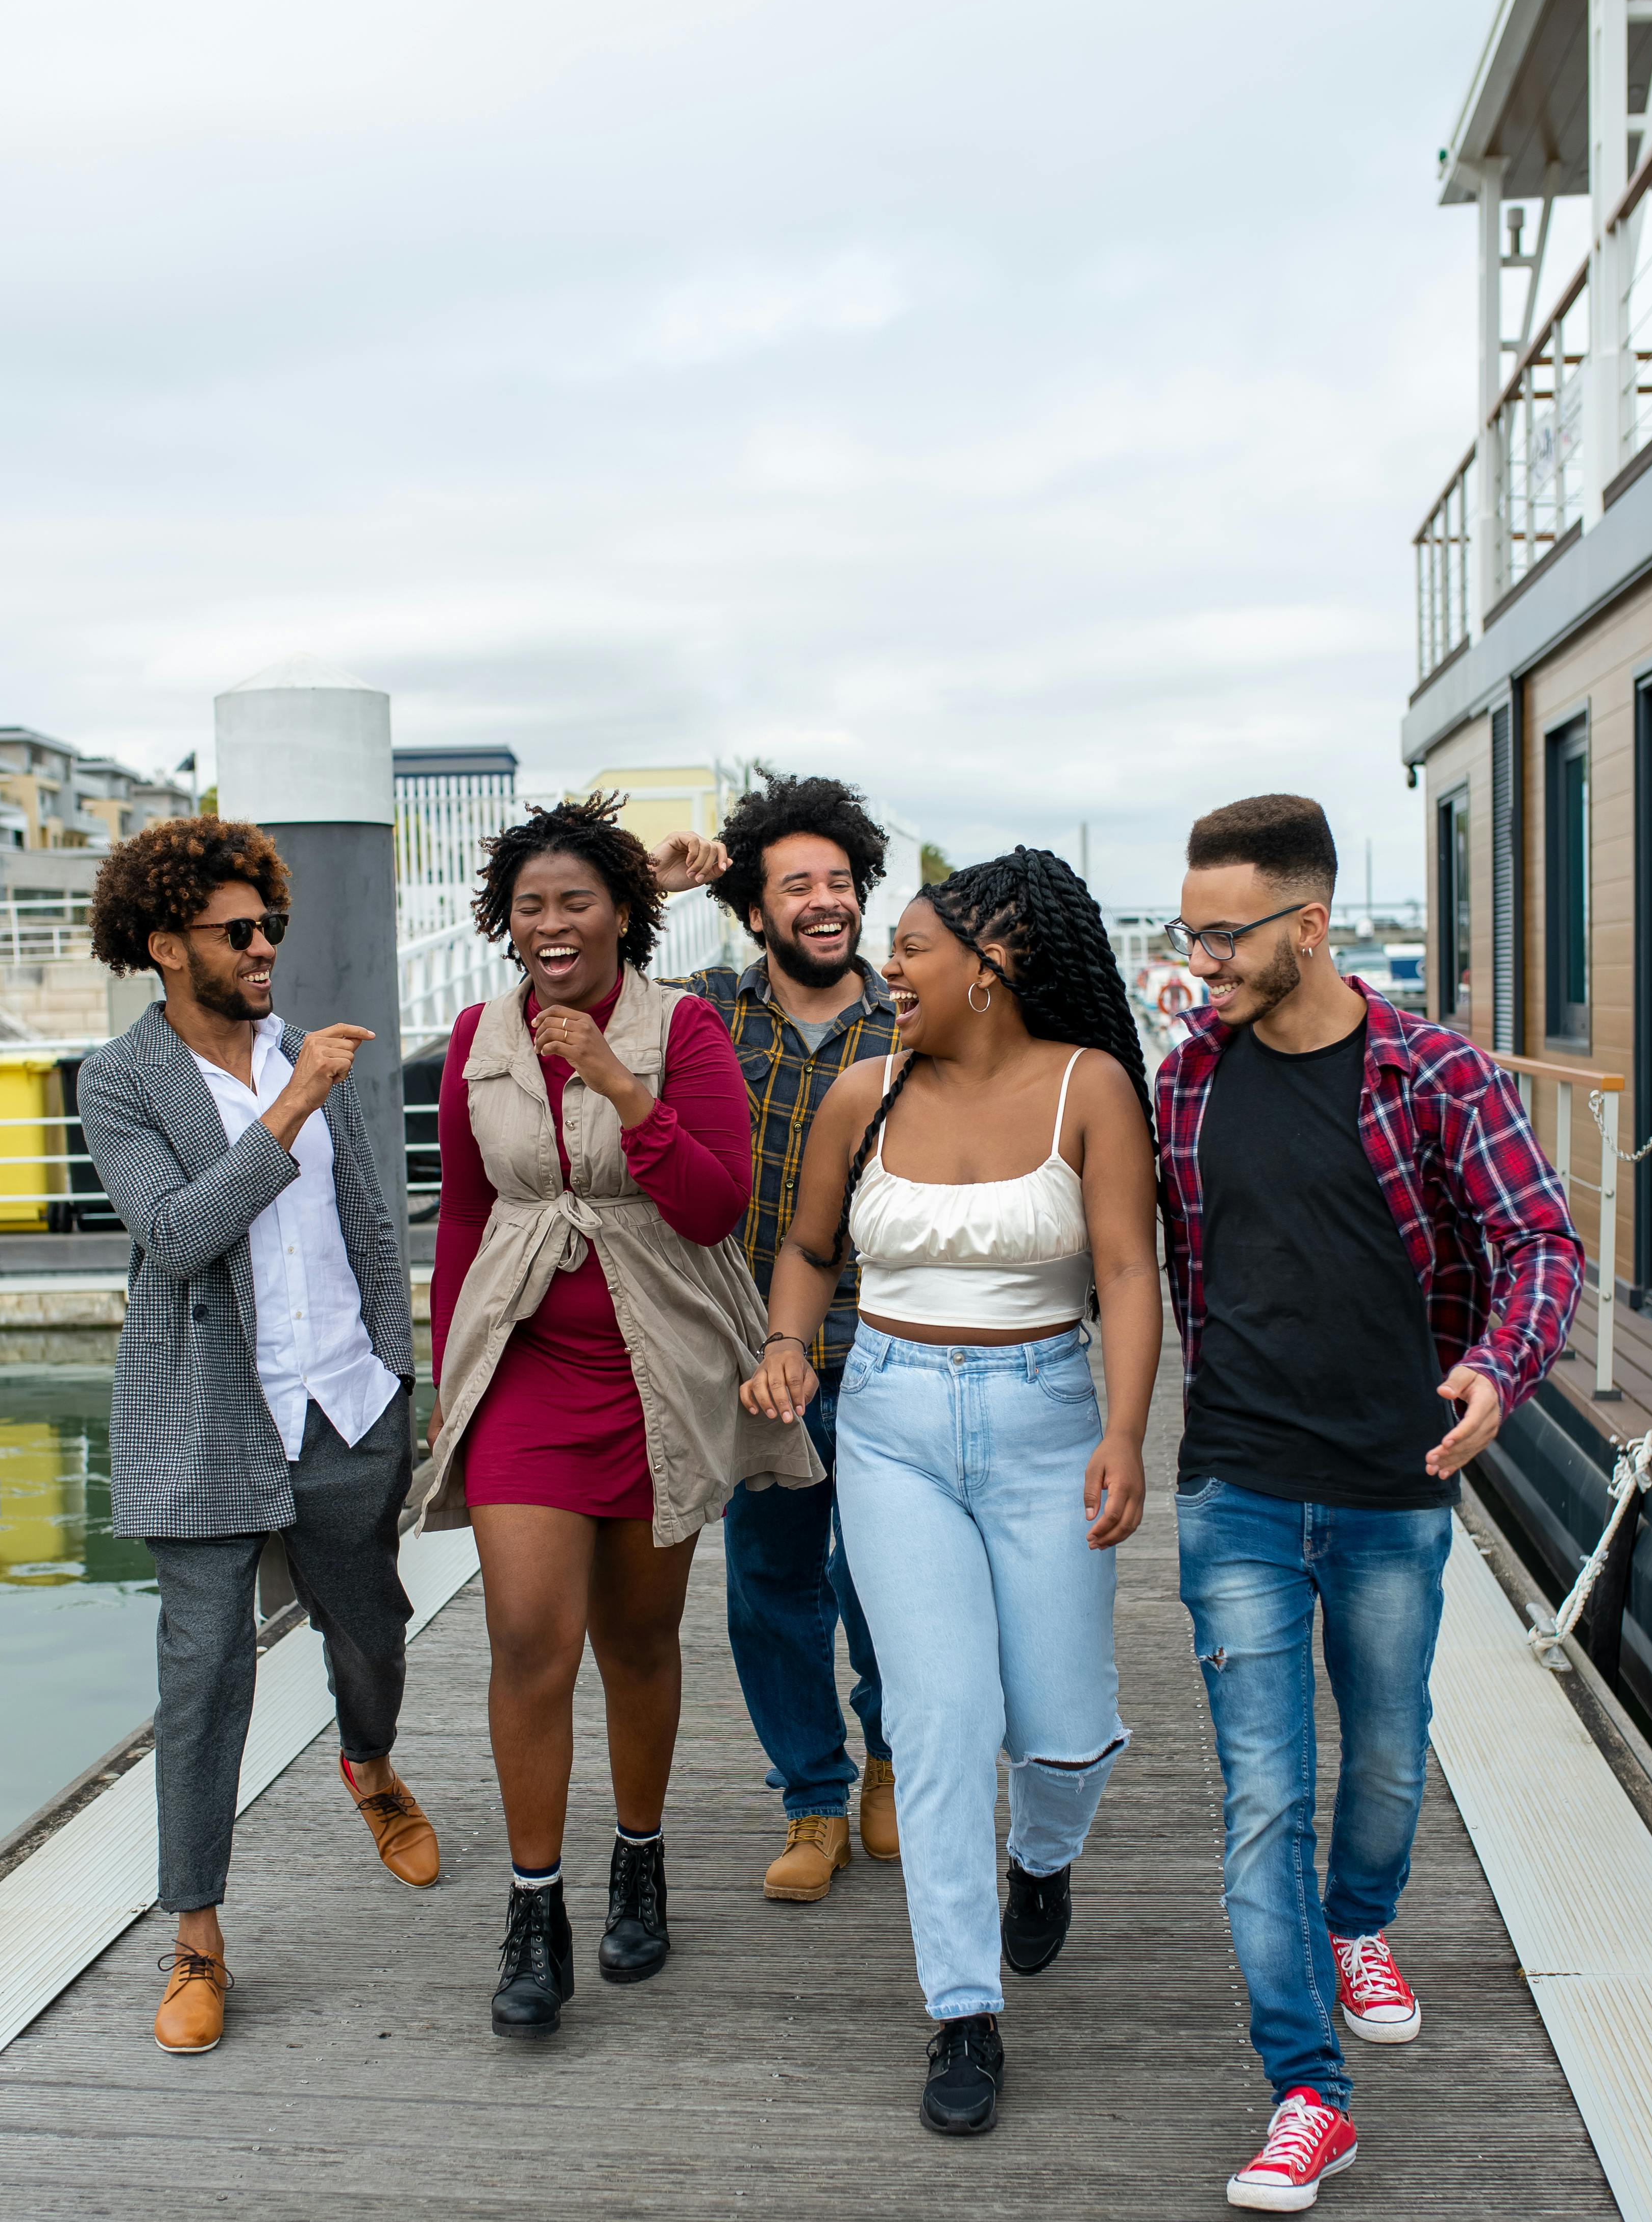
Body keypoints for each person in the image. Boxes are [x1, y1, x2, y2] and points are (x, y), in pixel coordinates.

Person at [1157, 794, 1583, 2214]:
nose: (1204, 961)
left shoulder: (1436, 1075)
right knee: (1264, 1793)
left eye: (1227, 935)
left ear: (1311, 922)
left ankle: (1361, 1927)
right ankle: (1306, 2093)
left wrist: (1493, 1367)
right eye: (1191, 933)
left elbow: (1539, 1241)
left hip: (1396, 1485)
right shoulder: (1182, 1086)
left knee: (1390, 1752)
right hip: (1236, 1486)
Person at [745, 847, 1163, 2138]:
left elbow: (1129, 1275)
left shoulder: (1089, 1090)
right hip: (890, 1425)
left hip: (1048, 1421)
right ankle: (962, 2007)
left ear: (992, 967)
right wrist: (780, 1347)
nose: (893, 969)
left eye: (915, 948)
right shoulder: (858, 1095)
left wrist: (1128, 1435)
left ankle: (1040, 1857)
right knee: (936, 1715)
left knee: (1061, 1719)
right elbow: (810, 1250)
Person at [423, 796, 819, 2040]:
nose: (551, 925)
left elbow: (714, 1206)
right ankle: (534, 1910)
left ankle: (637, 1856)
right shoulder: (477, 1036)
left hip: (660, 1366)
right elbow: (460, 1213)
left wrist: (618, 1085)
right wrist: (451, 1372)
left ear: (622, 913)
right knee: (529, 1639)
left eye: (575, 901)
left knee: (637, 1641)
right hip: (526, 1371)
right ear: (506, 921)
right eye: (529, 905)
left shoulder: (683, 1028)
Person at [78, 816, 432, 2061]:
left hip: (343, 1398)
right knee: (203, 1682)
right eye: (238, 931)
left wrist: (397, 1373)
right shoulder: (121, 1080)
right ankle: (196, 1936)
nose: (265, 945)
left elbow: (367, 1225)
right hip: (210, 1419)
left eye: (269, 922)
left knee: (372, 1627)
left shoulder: (305, 1048)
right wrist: (289, 1105)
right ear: (167, 946)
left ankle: (372, 1763)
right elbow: (176, 1235)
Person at [652, 771, 902, 1903]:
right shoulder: (700, 1009)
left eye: (840, 880)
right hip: (750, 1356)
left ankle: (892, 1754)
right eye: (796, 882)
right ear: (753, 909)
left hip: (893, 1343)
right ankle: (811, 1797)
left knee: (893, 1580)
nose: (823, 899)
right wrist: (644, 887)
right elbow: (566, 1008)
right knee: (769, 1579)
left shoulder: (914, 1017)